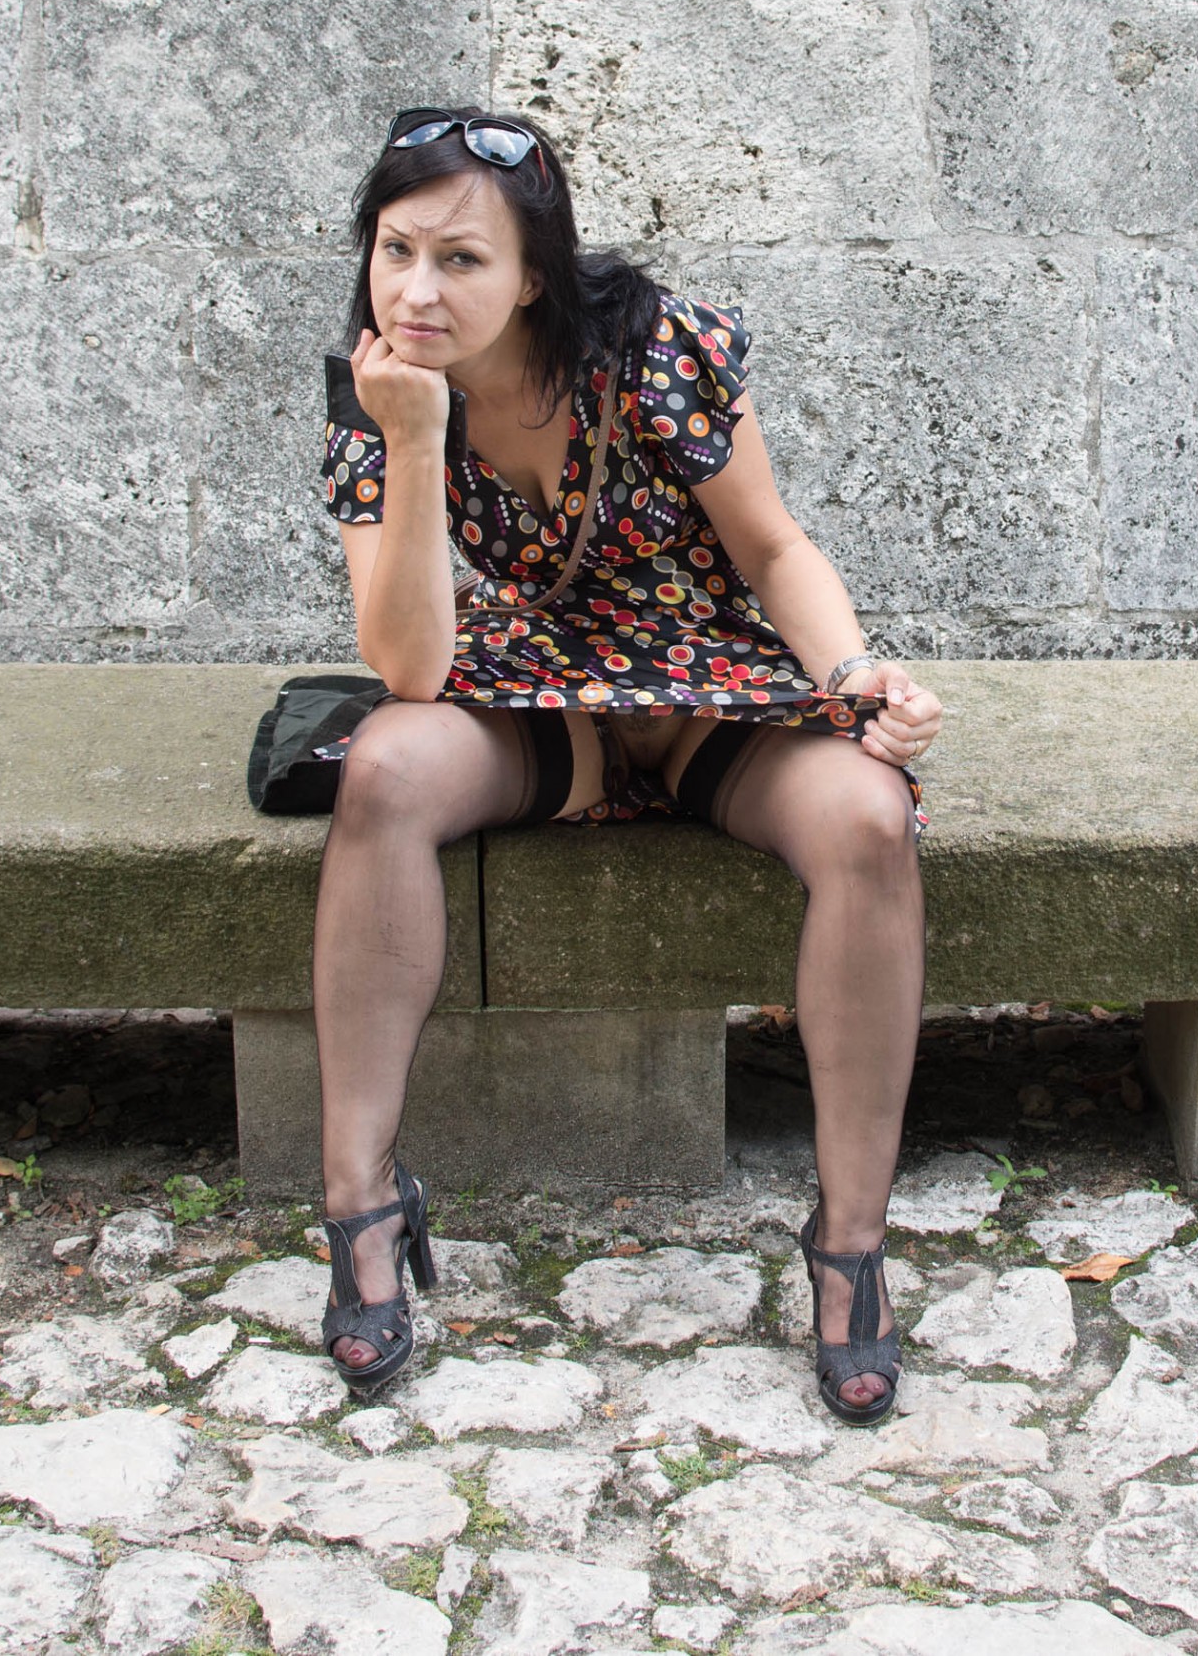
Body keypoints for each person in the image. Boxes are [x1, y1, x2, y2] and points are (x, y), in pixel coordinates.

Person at [310, 105, 945, 1425]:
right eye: (396, 250)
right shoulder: (378, 393)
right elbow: (412, 668)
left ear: (531, 275)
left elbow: (771, 548)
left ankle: (850, 1244)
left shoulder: (655, 349)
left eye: (462, 260)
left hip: (711, 694)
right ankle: (360, 1203)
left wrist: (854, 677)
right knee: (383, 769)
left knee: (870, 819)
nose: (417, 291)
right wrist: (416, 438)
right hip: (534, 698)